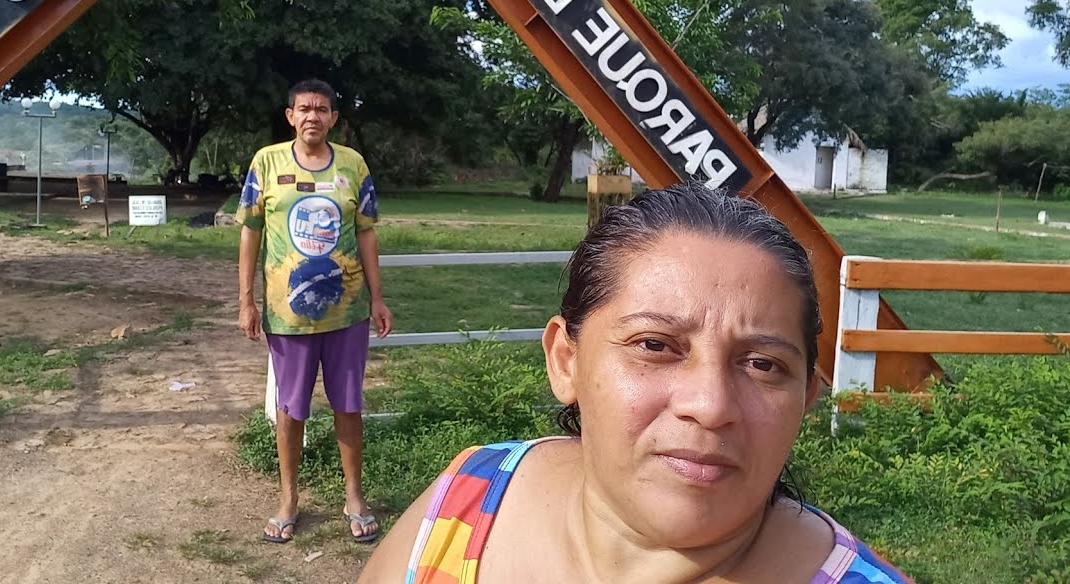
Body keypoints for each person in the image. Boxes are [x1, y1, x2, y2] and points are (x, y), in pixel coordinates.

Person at [359, 181, 915, 583]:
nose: (710, 405)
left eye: (763, 364)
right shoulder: (467, 499)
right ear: (565, 360)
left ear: (805, 401)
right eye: (655, 345)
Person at [235, 78, 393, 545]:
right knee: (291, 409)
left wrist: (379, 298)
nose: (312, 117)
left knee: (348, 405)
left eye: (322, 109)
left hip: (347, 313)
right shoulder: (266, 162)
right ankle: (287, 500)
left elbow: (366, 233)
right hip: (287, 316)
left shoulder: (352, 165)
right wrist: (246, 300)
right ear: (290, 116)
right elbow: (249, 232)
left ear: (334, 118)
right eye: (304, 108)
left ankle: (354, 498)